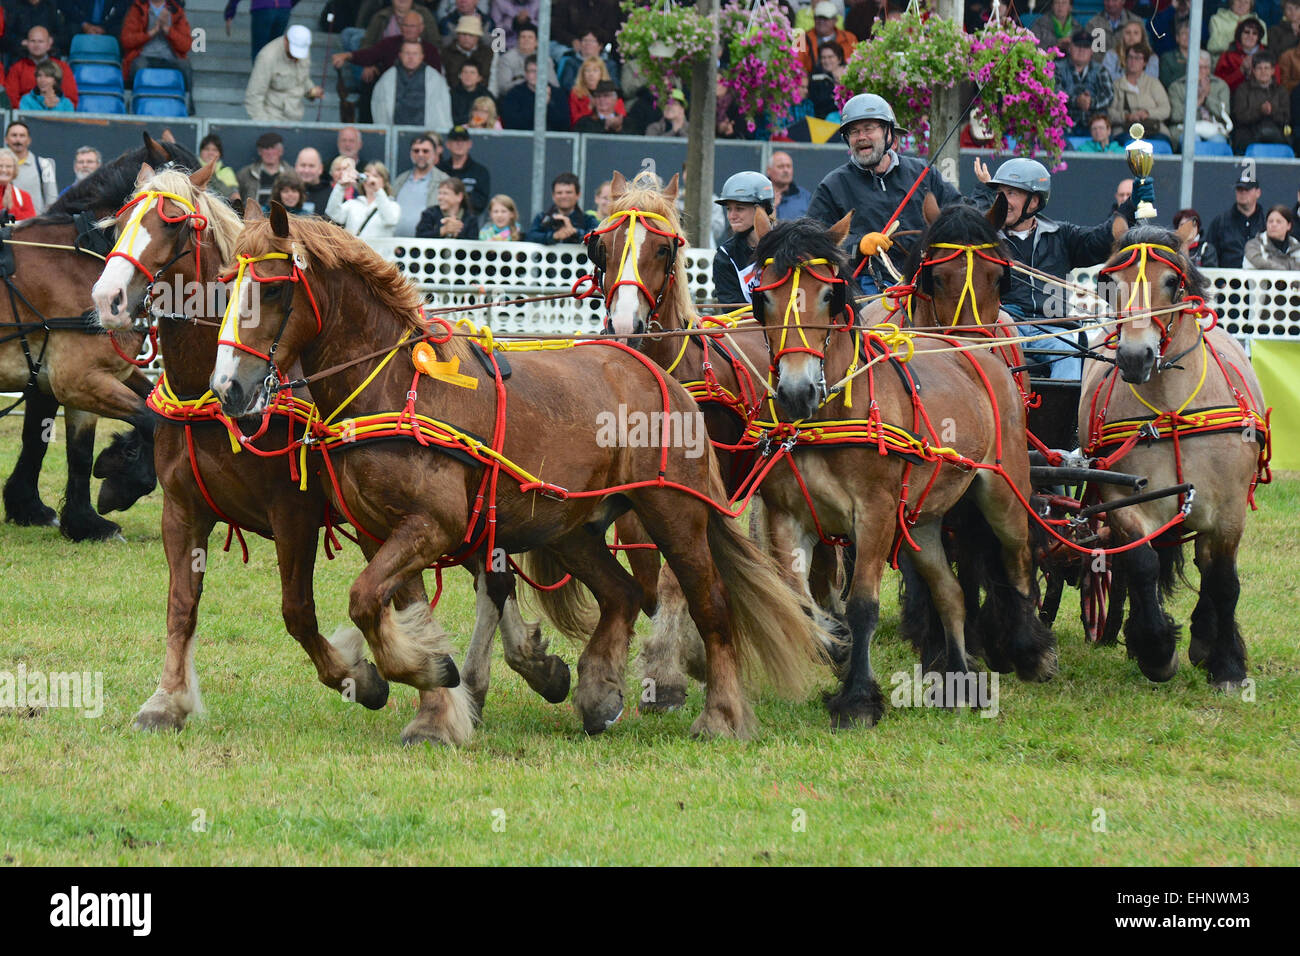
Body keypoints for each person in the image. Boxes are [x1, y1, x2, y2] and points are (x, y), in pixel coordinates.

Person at [973, 156, 1135, 379]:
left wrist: (1132, 206)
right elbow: (967, 226)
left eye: (1012, 193)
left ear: (1034, 202)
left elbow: (1100, 241)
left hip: (1053, 327)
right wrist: (983, 193)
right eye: (999, 194)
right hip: (1005, 326)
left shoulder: (1062, 234)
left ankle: (1063, 411)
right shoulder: (986, 237)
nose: (1004, 201)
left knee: (1069, 350)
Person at [806, 93, 962, 294]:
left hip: (926, 282)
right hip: (864, 288)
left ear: (889, 133)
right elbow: (813, 244)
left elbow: (958, 215)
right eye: (854, 131)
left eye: (869, 129)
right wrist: (858, 245)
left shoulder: (924, 173)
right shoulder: (832, 185)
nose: (861, 137)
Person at [711, 171, 774, 306]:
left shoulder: (786, 246)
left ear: (762, 208)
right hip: (748, 326)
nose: (732, 216)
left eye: (739, 208)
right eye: (729, 209)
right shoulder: (725, 256)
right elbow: (732, 310)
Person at [245, 24, 324, 122]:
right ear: (286, 40)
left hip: (296, 114)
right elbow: (254, 95)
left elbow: (302, 78)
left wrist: (311, 91)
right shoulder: (267, 57)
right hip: (272, 116)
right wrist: (264, 125)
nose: (296, 57)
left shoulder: (304, 49)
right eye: (293, 52)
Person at [371, 38, 452, 128]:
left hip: (426, 135)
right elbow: (379, 110)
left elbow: (442, 112)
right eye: (407, 53)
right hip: (395, 133)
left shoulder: (435, 79)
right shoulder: (388, 78)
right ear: (400, 55)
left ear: (422, 56)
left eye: (415, 54)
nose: (411, 57)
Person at [121, 0, 193, 93]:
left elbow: (185, 45)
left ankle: (187, 104)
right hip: (144, 56)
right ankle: (136, 102)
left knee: (185, 66)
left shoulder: (176, 10)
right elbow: (127, 41)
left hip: (169, 58)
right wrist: (151, 33)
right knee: (138, 65)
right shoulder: (137, 8)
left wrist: (168, 30)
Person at [1108, 43, 1171, 142]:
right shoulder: (1116, 85)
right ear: (1125, 60)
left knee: (1160, 143)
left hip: (1153, 129)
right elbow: (1109, 113)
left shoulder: (1153, 83)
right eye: (1130, 57)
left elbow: (1166, 109)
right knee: (1130, 143)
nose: (1133, 61)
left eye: (1137, 58)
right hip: (1125, 130)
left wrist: (1147, 113)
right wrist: (1126, 116)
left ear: (1145, 62)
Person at [1170, 51, 1233, 150]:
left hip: (1214, 129)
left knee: (1218, 143)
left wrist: (1207, 97)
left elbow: (1224, 114)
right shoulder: (1177, 86)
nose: (1202, 71)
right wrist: (1200, 99)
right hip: (1185, 129)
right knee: (1193, 141)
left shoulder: (1221, 85)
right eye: (1198, 67)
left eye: (1206, 67)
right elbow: (1176, 116)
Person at [5, 26, 78, 110]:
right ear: (26, 43)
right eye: (33, 41)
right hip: (25, 114)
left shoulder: (62, 67)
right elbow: (10, 99)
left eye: (40, 41)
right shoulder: (17, 68)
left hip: (57, 115)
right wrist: (27, 109)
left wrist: (56, 107)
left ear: (49, 43)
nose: (36, 45)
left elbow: (71, 99)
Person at [1206, 171, 1267, 268]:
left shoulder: (1267, 222)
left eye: (1247, 190)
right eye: (1239, 189)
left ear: (1258, 192)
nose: (1242, 193)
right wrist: (1220, 282)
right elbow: (1209, 254)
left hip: (1259, 280)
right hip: (1227, 280)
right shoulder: (1220, 222)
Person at [1056, 31, 1115, 133]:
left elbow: (1109, 96)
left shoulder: (1100, 70)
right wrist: (1076, 101)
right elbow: (1055, 93)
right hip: (1063, 126)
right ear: (1070, 48)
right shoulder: (1057, 67)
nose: (1082, 50)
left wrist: (1091, 102)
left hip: (1094, 127)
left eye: (1086, 47)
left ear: (1092, 51)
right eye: (1078, 46)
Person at [326, 159, 400, 239]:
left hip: (379, 251)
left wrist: (378, 191)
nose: (370, 180)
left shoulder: (393, 205)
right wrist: (340, 187)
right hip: (355, 250)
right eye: (367, 177)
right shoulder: (352, 204)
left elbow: (390, 220)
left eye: (375, 176)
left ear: (384, 182)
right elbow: (333, 215)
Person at [1232, 50, 1289, 151]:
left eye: (1266, 68)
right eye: (1259, 68)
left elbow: (1286, 117)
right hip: (1248, 132)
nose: (1263, 72)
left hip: (1276, 132)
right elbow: (1239, 117)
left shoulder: (1281, 91)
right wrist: (1260, 111)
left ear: (1273, 70)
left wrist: (1272, 111)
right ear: (1253, 70)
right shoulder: (1243, 89)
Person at [392, 134, 448, 236]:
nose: (420, 154)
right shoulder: (400, 180)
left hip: (427, 246)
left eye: (425, 151)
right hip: (396, 244)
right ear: (410, 153)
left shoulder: (444, 180)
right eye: (416, 150)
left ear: (435, 154)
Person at [523, 172, 597, 245]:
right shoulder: (542, 218)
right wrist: (554, 236)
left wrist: (575, 232)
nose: (564, 196)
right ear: (553, 195)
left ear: (578, 195)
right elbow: (529, 237)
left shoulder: (588, 219)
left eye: (568, 192)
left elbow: (597, 239)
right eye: (559, 193)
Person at [500, 54, 571, 130]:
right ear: (526, 74)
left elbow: (564, 125)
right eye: (532, 71)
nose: (536, 75)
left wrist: (549, 104)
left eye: (540, 71)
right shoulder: (514, 94)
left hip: (551, 139)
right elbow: (511, 124)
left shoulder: (558, 94)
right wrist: (539, 105)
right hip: (522, 139)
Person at [5, 122, 57, 215]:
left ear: (29, 140)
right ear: (6, 140)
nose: (18, 139)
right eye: (14, 135)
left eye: (22, 135)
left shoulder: (44, 165)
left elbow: (52, 199)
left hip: (33, 225)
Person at [436, 125, 491, 214]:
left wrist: (452, 198)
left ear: (470, 144)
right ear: (448, 144)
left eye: (463, 140)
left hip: (468, 221)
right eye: (455, 140)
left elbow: (480, 203)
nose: (459, 144)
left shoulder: (480, 172)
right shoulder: (439, 169)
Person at [225, 0, 295, 60]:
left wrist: (230, 11)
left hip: (262, 8)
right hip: (283, 9)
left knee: (260, 51)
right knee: (275, 49)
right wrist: (287, 4)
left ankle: (260, 75)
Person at [237, 132, 290, 212]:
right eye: (266, 148)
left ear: (281, 151)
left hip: (283, 221)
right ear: (259, 151)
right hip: (254, 222)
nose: (269, 152)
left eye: (273, 148)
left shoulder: (291, 174)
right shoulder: (245, 174)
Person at [798, 1, 855, 74]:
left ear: (835, 20)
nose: (821, 22)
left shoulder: (849, 38)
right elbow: (797, 64)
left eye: (825, 18)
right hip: (813, 81)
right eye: (818, 18)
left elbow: (855, 64)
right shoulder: (803, 39)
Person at [1216, 18, 1270, 93]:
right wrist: (1241, 71)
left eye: (1254, 33)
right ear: (1239, 35)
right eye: (1246, 32)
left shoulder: (1268, 55)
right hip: (1235, 98)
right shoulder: (1227, 56)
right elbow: (1219, 86)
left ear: (1258, 38)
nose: (1250, 36)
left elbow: (1276, 82)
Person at [415, 177, 480, 239]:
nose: (440, 197)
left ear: (459, 197)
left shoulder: (470, 219)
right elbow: (419, 236)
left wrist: (457, 233)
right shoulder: (429, 214)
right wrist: (442, 231)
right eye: (439, 193)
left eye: (445, 193)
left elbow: (473, 245)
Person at [1085, 0, 1142, 65]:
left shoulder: (1136, 22)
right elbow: (1090, 54)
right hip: (1101, 71)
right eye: (1107, 0)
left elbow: (1143, 50)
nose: (1110, 4)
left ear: (1123, 1)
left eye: (1114, 0)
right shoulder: (1093, 24)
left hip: (1129, 69)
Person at [441, 14, 494, 83]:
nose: (467, 38)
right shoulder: (445, 53)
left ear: (478, 37)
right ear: (457, 35)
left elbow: (493, 81)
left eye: (471, 35)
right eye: (463, 34)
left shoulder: (488, 53)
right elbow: (442, 79)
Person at [491, 18, 536, 95]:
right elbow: (503, 88)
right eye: (523, 37)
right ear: (517, 40)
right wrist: (527, 82)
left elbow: (555, 85)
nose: (526, 40)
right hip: (515, 98)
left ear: (537, 42)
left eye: (530, 37)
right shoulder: (506, 58)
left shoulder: (545, 59)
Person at [767, 150, 812, 220]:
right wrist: (772, 206)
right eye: (780, 166)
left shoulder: (805, 197)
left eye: (789, 166)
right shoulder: (760, 196)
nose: (786, 170)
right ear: (769, 170)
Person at [199, 134, 241, 205]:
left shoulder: (227, 171)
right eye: (206, 149)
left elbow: (234, 197)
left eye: (215, 150)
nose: (210, 153)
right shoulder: (192, 166)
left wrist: (212, 172)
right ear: (201, 152)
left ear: (220, 154)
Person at [450, 61, 493, 126]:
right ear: (460, 75)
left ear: (479, 78)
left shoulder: (486, 95)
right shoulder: (451, 94)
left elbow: (492, 117)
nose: (468, 76)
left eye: (472, 73)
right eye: (465, 72)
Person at [0, 149, 37, 222]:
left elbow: (31, 224)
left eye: (8, 166)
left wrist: (11, 208)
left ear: (15, 170)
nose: (4, 170)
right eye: (0, 166)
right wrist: (2, 208)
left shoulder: (24, 196)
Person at [293, 147, 333, 215]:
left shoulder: (332, 195)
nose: (306, 170)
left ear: (320, 168)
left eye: (311, 166)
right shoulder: (284, 192)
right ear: (296, 167)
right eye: (303, 165)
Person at [1159, 17, 1192, 89]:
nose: (1187, 36)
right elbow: (1166, 82)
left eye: (1191, 33)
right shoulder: (1167, 58)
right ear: (1177, 38)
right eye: (1184, 33)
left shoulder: (1203, 57)